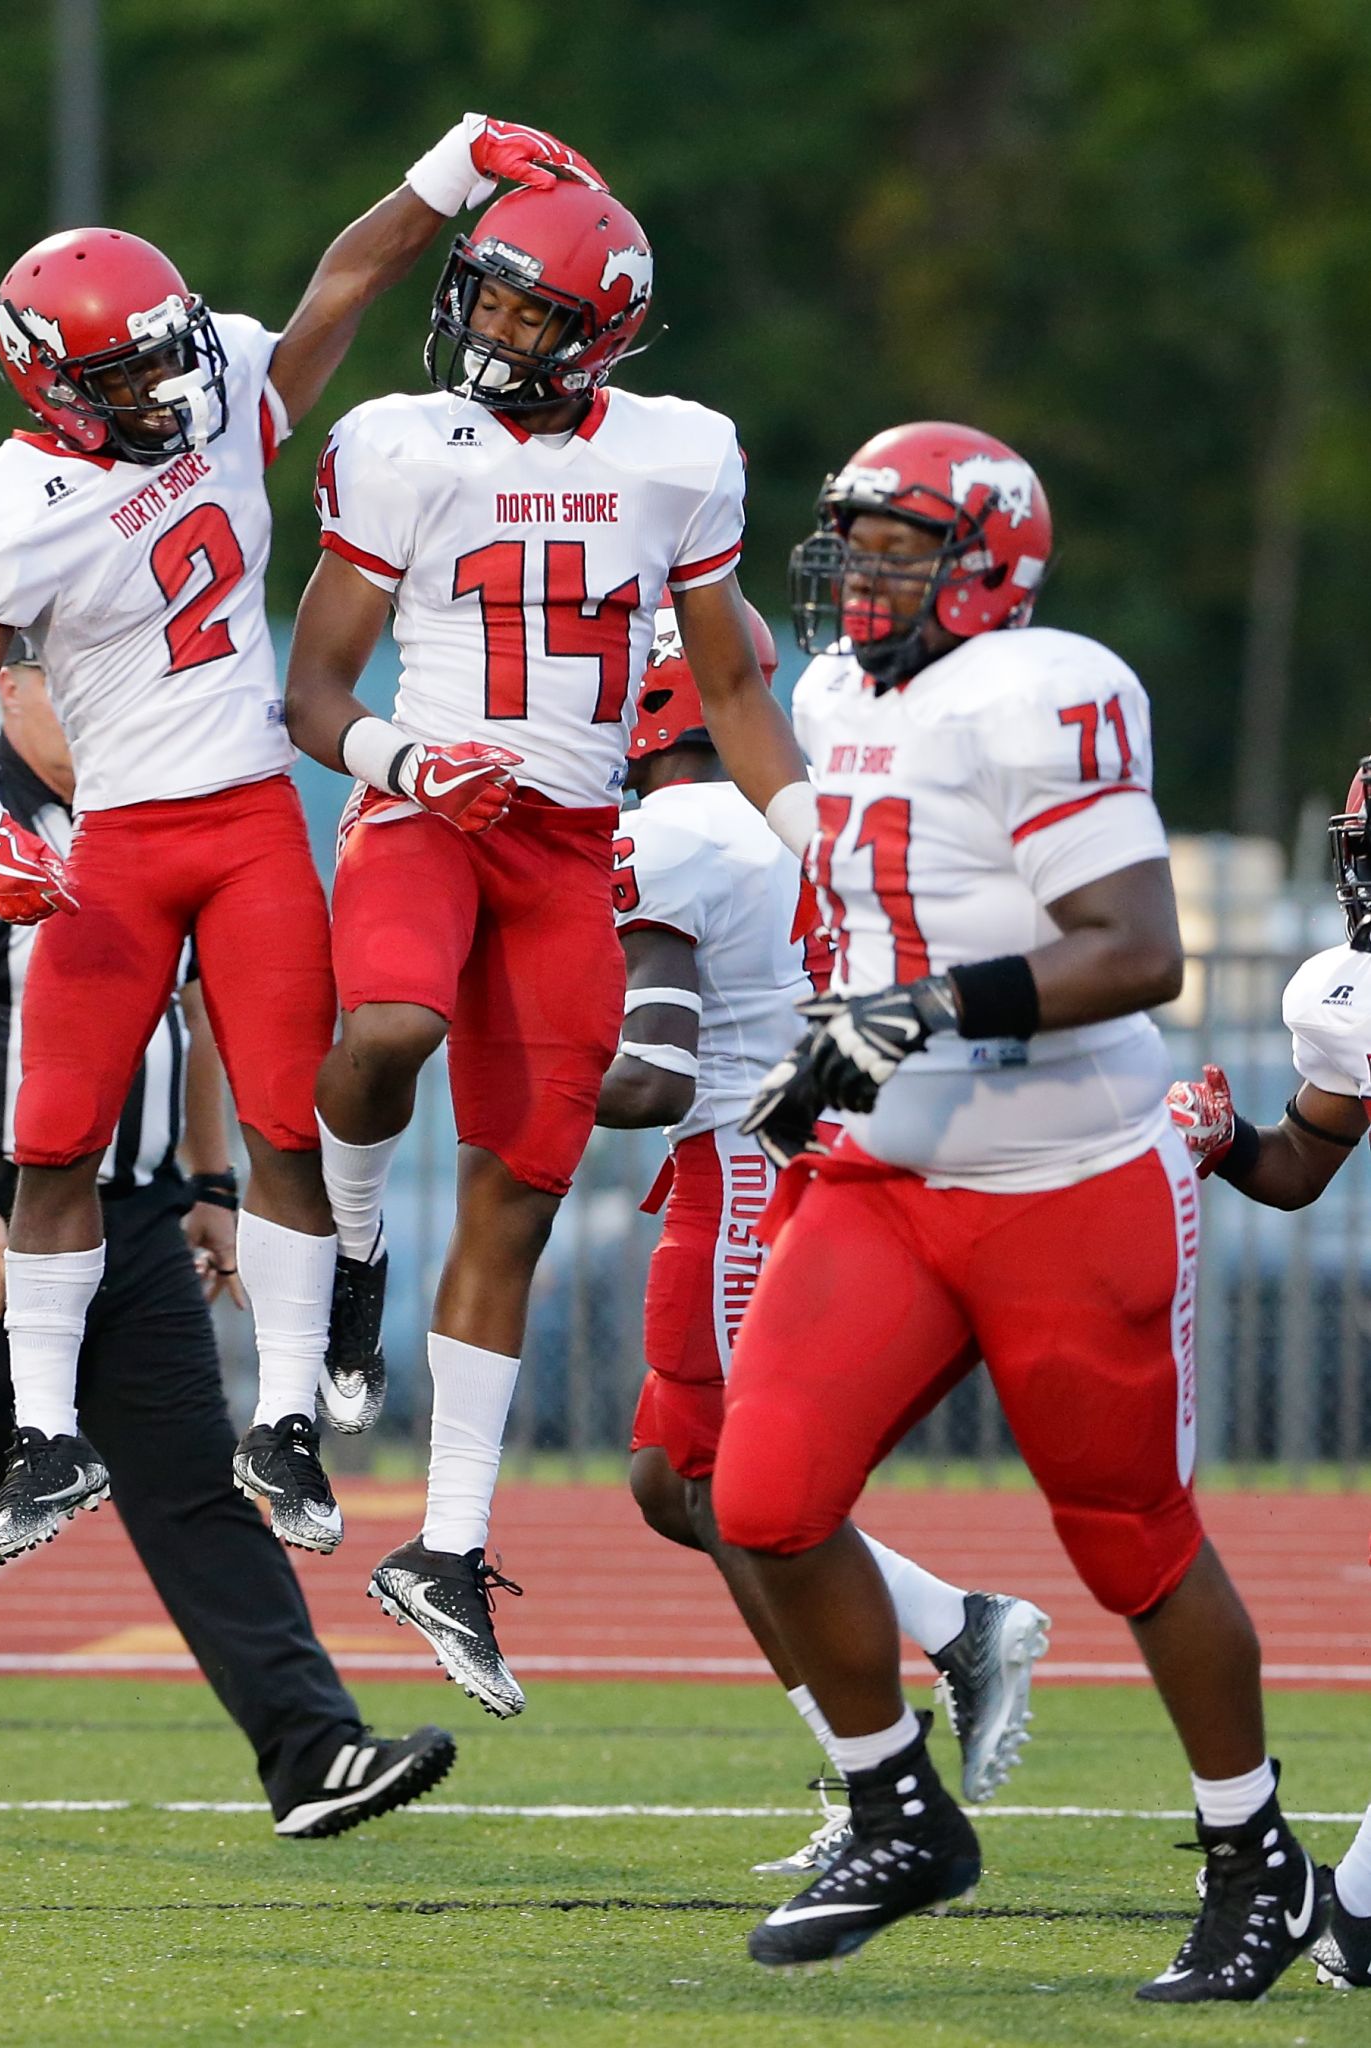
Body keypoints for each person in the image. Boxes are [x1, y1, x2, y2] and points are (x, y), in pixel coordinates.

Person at [0, 116, 602, 1568]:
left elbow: (345, 285)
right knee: (56, 1141)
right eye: (129, 374)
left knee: (287, 1120)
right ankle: (45, 1437)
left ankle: (284, 1418)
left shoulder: (215, 387)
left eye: (172, 355)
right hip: (112, 838)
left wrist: (454, 162)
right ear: (48, 381)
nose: (171, 389)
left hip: (242, 817)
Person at [701, 421, 1325, 1998]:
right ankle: (893, 1806)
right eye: (846, 541)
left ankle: (1252, 1855)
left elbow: (1132, 949)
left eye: (897, 548)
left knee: (1127, 1544)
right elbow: (757, 733)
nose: (856, 575)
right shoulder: (837, 692)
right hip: (885, 1177)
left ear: (987, 571)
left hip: (1064, 1174)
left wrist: (905, 1011)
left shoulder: (1045, 688)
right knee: (756, 1494)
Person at [284, 173, 806, 1717]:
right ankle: (358, 1244)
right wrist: (402, 760)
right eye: (486, 292)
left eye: (526, 308)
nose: (489, 322)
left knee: (518, 1193)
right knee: (385, 1032)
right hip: (426, 815)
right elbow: (311, 692)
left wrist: (826, 842)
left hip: (574, 846)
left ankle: (445, 1551)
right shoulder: (397, 445)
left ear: (598, 339)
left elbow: (728, 693)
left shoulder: (679, 454)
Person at [0, 641, 454, 1839]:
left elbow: (205, 1009)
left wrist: (211, 1179)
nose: (101, 693)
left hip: (139, 1213)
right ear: (6, 687)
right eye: (67, 671)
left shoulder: (145, 815)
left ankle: (313, 1751)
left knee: (198, 1487)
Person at [597, 597, 1049, 1873]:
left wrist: (505, 1084)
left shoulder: (672, 832)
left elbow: (655, 1074)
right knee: (668, 1482)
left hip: (742, 1171)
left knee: (736, 1491)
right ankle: (930, 1660)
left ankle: (915, 1715)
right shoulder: (795, 816)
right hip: (780, 1157)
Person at [1165, 753, 1371, 1989]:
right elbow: (1304, 1158)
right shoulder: (1351, 999)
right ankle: (1350, 1916)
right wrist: (1227, 1141)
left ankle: (1348, 1915)